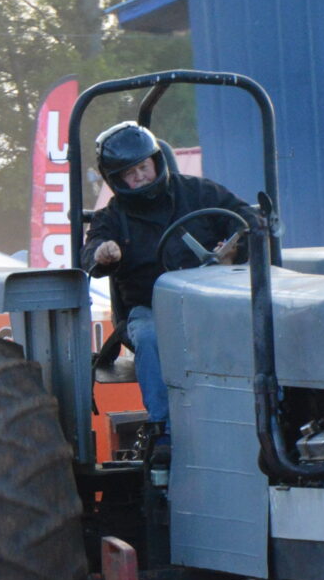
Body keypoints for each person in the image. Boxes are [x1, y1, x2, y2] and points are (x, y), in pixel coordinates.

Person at [83, 121, 254, 447]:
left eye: (143, 167)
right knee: (147, 335)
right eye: (128, 173)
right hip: (150, 311)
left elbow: (246, 219)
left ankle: (263, 416)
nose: (139, 177)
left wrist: (235, 246)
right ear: (115, 180)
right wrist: (103, 252)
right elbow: (91, 250)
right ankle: (163, 430)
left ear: (156, 162)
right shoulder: (112, 216)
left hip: (213, 305)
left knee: (260, 324)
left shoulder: (200, 192)